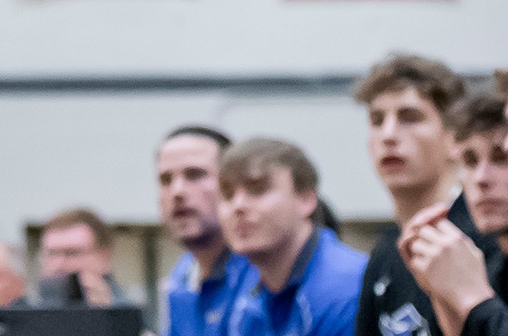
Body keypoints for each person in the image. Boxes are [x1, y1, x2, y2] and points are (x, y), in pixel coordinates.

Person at [354, 54, 492, 336]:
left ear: (453, 137)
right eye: (377, 120)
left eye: (410, 118)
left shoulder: (485, 239)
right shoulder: (384, 252)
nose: (388, 135)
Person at [220, 138, 367, 336]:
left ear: (306, 199)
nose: (238, 206)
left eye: (257, 190)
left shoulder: (345, 287)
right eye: (227, 195)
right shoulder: (242, 284)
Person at [400, 84, 508, 336]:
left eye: (501, 158)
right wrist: (442, 295)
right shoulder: (492, 268)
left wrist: (474, 300)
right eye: (470, 161)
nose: (481, 178)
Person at [157, 126, 253, 336]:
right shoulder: (180, 277)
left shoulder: (262, 273)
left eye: (195, 175)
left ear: (233, 185)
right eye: (165, 180)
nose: (177, 191)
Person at [34, 208, 134, 307]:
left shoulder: (131, 316)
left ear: (104, 256)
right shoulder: (29, 312)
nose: (59, 264)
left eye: (72, 253)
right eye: (52, 253)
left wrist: (105, 315)